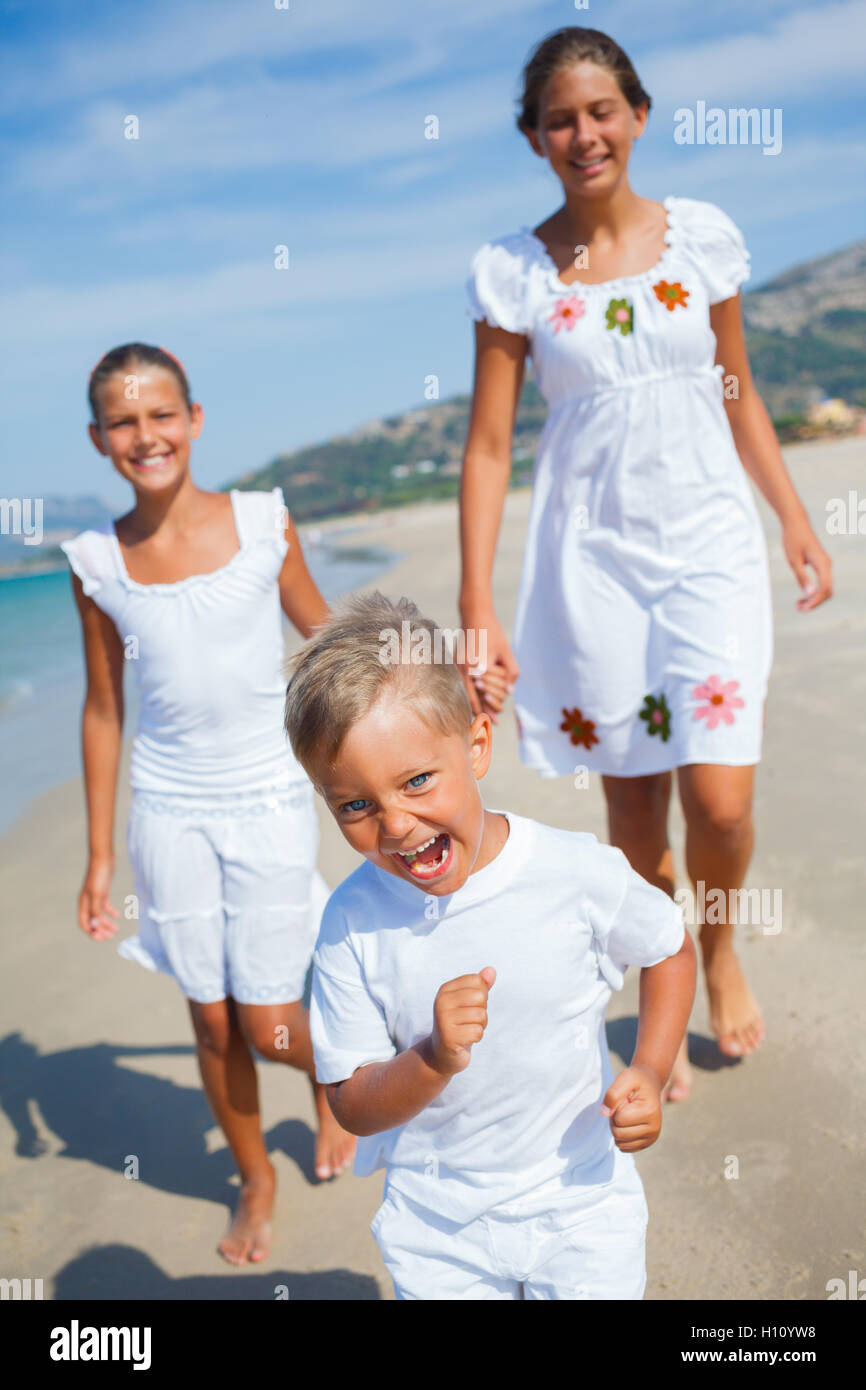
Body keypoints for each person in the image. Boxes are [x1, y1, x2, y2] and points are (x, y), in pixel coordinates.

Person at [458, 27, 833, 1100]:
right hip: (590, 565)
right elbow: (487, 447)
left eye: (599, 111)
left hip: (707, 547)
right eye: (558, 119)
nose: (582, 134)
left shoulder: (699, 239)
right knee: (631, 816)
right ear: (533, 138)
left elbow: (737, 391)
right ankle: (666, 972)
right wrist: (474, 597)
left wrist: (793, 518)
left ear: (635, 114)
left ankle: (717, 946)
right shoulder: (515, 272)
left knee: (716, 805)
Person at [283, 591, 696, 1300]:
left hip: (580, 1201)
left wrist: (651, 1070)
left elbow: (667, 948)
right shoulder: (349, 925)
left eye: (417, 782)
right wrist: (432, 1059)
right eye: (355, 805)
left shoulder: (570, 872)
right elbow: (351, 1103)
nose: (396, 824)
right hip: (438, 1228)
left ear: (475, 745)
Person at [61, 343, 355, 1266]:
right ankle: (256, 1181)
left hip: (267, 790)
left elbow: (328, 638)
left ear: (193, 419)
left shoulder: (266, 523)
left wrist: (425, 684)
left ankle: (344, 1080)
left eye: (160, 415)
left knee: (271, 1022)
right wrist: (101, 857)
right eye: (122, 420)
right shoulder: (95, 561)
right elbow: (105, 708)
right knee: (211, 1018)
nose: (144, 435)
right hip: (168, 808)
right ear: (99, 438)